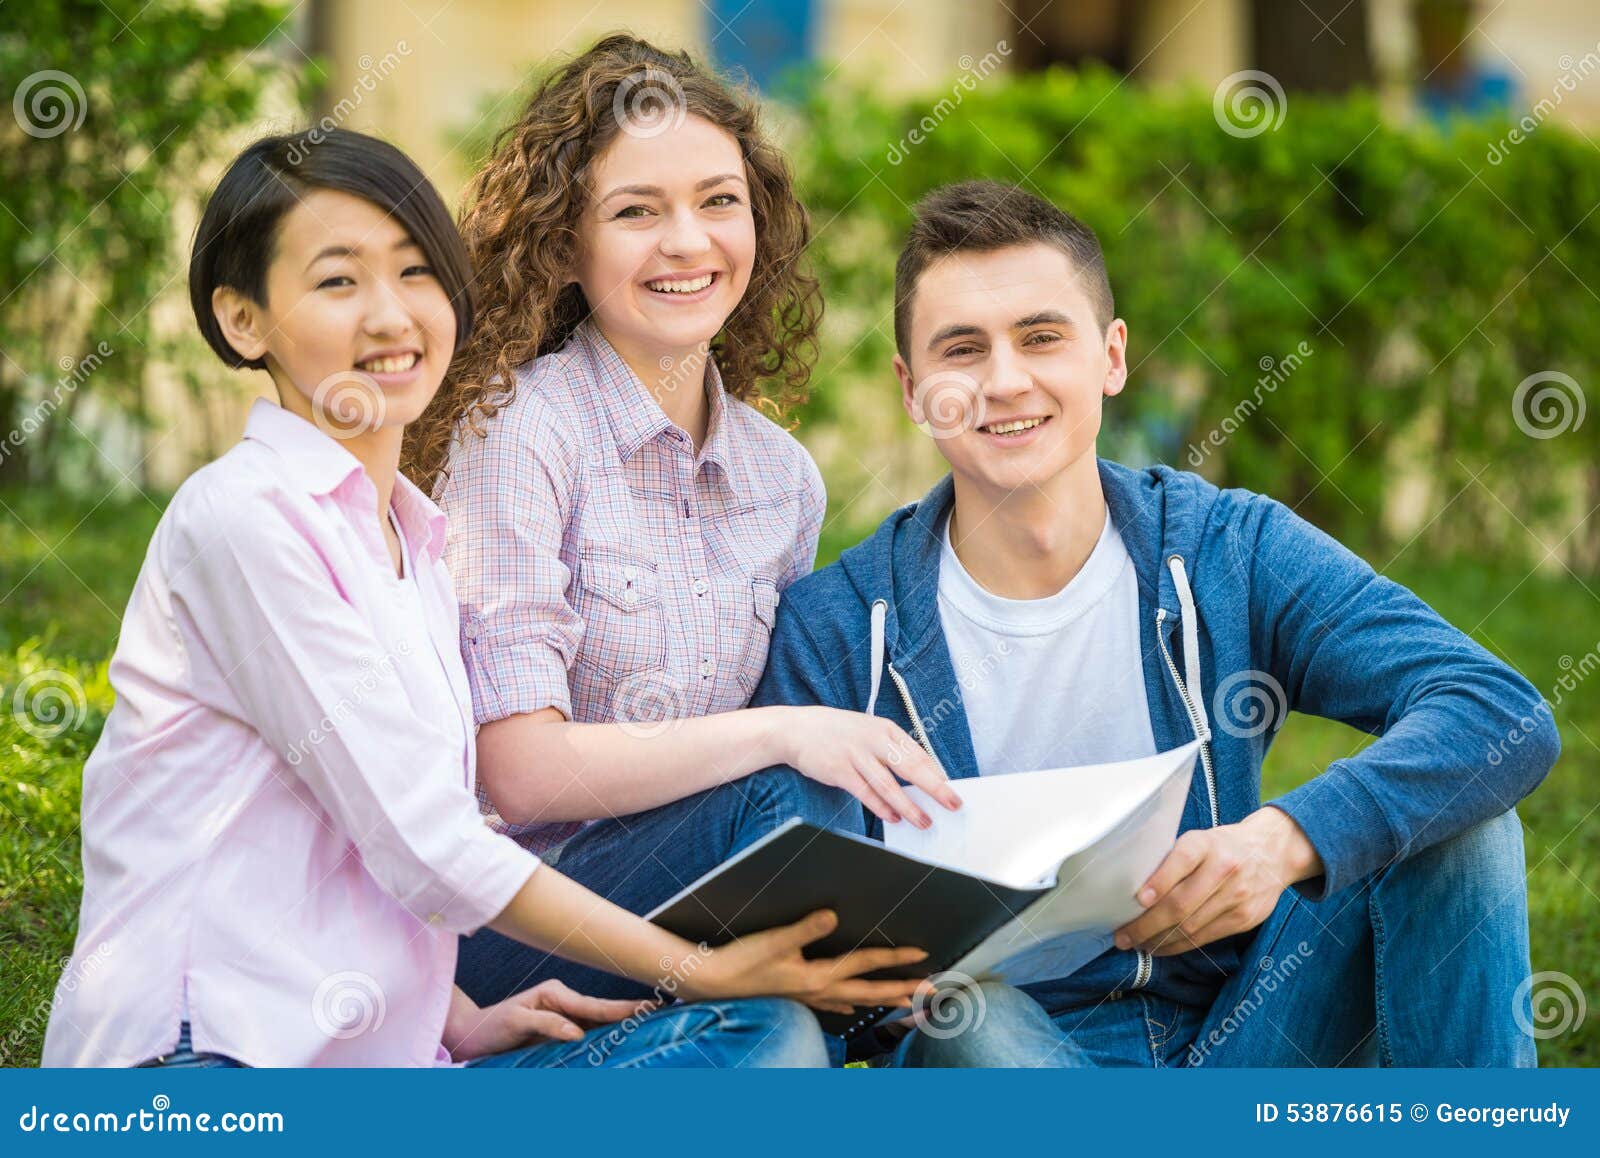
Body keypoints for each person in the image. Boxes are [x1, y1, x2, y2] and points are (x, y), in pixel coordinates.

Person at [41, 128, 926, 1069]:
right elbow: (431, 842)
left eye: (417, 273)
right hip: (207, 1065)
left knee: (765, 1036)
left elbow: (360, 831)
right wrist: (697, 972)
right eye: (339, 281)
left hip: (400, 1060)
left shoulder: (413, 543)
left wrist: (457, 1015)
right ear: (243, 320)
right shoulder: (242, 520)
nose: (390, 316)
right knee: (746, 1004)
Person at [750, 180, 1559, 1067]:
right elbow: (790, 946)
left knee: (1465, 830)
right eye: (962, 349)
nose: (1005, 380)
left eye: (1041, 337)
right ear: (912, 389)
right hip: (1019, 1063)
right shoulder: (834, 628)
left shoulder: (1226, 549)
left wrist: (1285, 840)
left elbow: (1498, 710)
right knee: (973, 1022)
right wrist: (882, 987)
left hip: (1253, 1035)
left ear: (1111, 357)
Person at [401, 35, 959, 1009]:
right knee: (797, 793)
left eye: (717, 201)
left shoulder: (781, 479)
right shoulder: (518, 432)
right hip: (512, 924)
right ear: (566, 244)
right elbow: (521, 774)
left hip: (699, 893)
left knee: (865, 817)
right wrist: (785, 736)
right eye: (635, 212)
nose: (688, 243)